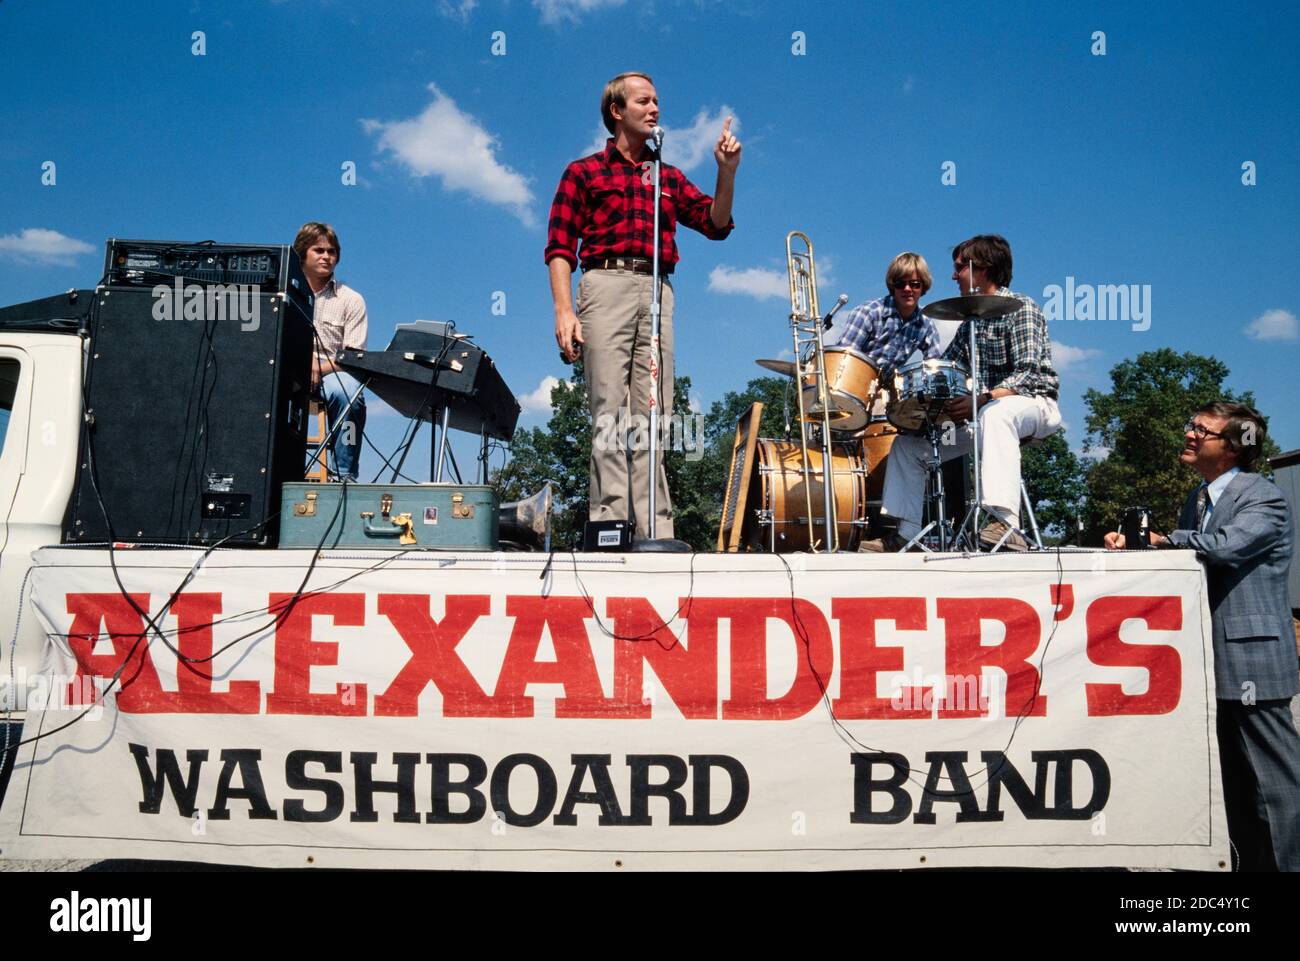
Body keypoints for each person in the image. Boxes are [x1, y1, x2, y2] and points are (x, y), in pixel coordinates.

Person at [545, 72, 740, 539]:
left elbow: (715, 224)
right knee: (608, 408)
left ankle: (655, 527)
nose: (655, 109)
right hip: (604, 284)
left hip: (656, 288)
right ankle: (610, 523)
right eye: (644, 101)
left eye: (657, 101)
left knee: (654, 412)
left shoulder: (667, 176)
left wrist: (726, 172)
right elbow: (558, 245)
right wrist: (563, 311)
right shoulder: (583, 171)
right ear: (617, 111)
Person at [1105, 403, 1299, 871]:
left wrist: (1161, 541)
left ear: (1232, 448)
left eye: (1201, 430)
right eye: (1191, 425)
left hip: (1253, 661)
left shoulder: (1262, 496)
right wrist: (1136, 552)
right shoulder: (1197, 499)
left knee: (1274, 786)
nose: (1189, 434)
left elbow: (1225, 547)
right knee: (1232, 786)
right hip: (1208, 659)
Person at [865, 234, 1060, 552]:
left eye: (960, 268)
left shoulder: (1021, 308)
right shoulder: (970, 324)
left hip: (1034, 405)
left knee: (998, 413)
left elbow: (1029, 373)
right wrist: (915, 402)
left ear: (983, 268)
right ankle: (907, 534)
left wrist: (982, 399)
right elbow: (946, 371)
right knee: (908, 446)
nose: (953, 276)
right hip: (982, 416)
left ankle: (1006, 524)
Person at [293, 222, 367, 481]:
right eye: (319, 250)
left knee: (349, 393)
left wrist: (317, 365)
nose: (327, 256)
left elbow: (354, 356)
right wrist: (305, 361)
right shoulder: (283, 290)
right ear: (302, 253)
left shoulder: (351, 299)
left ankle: (343, 476)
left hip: (332, 373)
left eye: (332, 251)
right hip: (284, 368)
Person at [831, 251, 943, 373]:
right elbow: (841, 361)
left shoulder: (926, 325)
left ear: (923, 286)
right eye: (900, 284)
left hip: (886, 389)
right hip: (853, 381)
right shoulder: (868, 313)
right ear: (892, 286)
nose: (907, 289)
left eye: (914, 284)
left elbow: (935, 367)